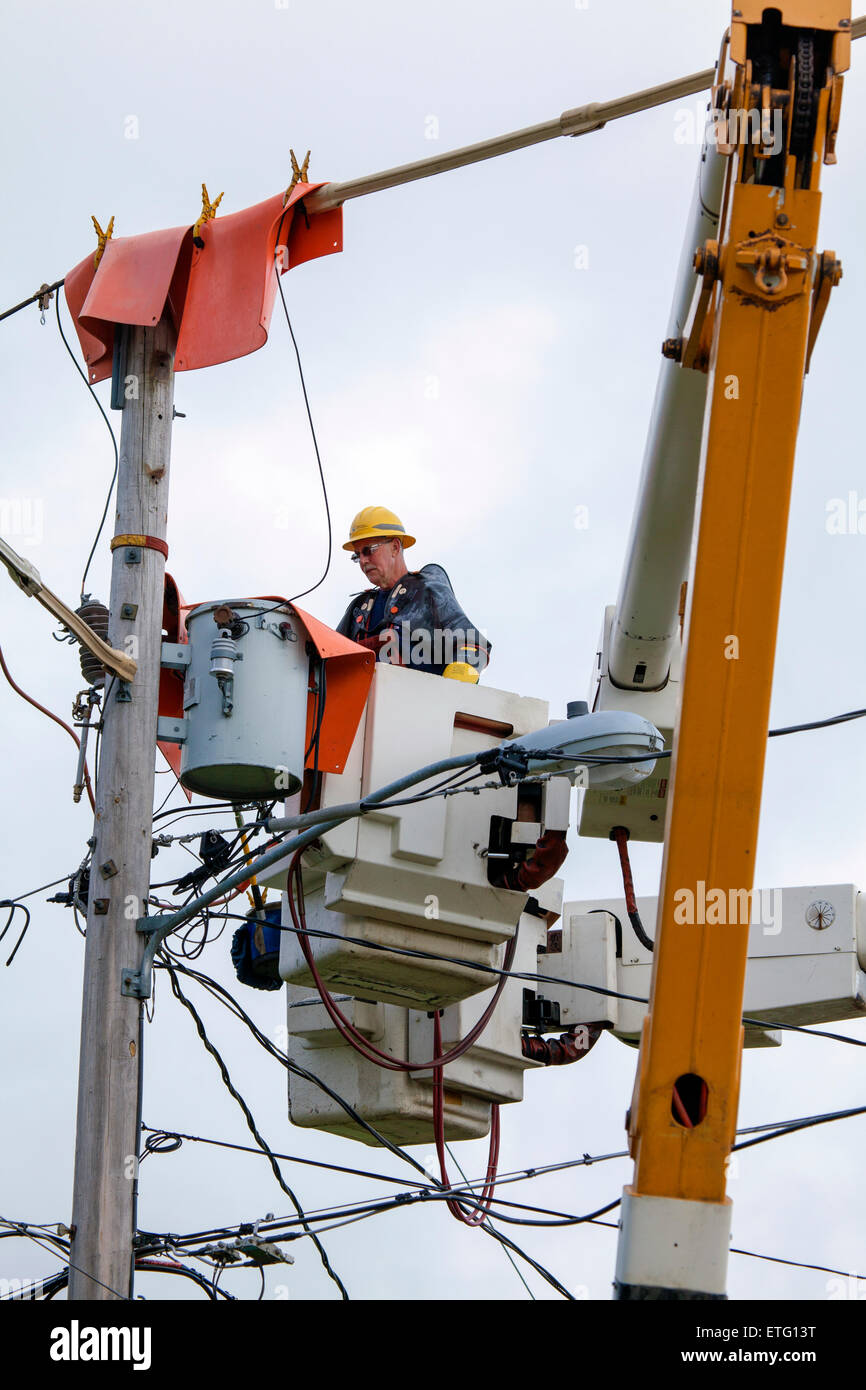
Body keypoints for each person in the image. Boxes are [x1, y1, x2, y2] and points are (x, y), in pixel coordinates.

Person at [336, 506, 491, 679]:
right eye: (357, 555)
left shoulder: (425, 592)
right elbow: (329, 656)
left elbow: (474, 646)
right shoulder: (360, 607)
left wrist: (456, 681)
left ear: (395, 547)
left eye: (369, 550)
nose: (363, 561)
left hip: (419, 702)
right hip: (366, 703)